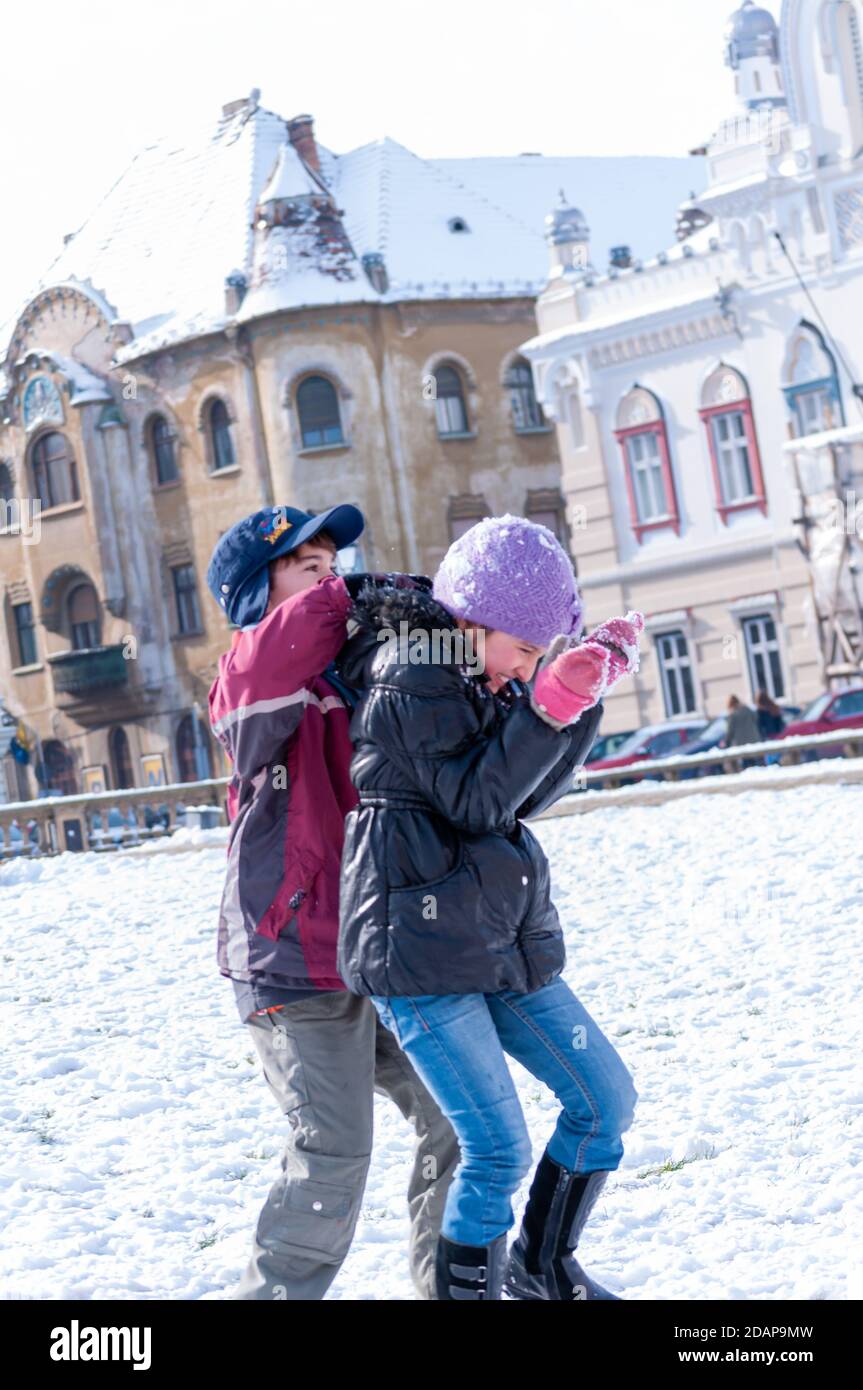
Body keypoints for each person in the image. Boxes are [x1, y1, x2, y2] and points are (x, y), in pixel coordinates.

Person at [336, 514, 642, 1301]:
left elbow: (526, 794)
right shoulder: (413, 670)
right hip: (419, 950)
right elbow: (476, 800)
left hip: (491, 935)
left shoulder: (481, 673)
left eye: (540, 655)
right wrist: (545, 707)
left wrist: (579, 696)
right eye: (526, 651)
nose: (525, 670)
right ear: (473, 619)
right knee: (497, 1148)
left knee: (603, 1100)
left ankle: (544, 1269)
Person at [206, 504, 460, 1301]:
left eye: (330, 556)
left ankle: (452, 1287)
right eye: (301, 560)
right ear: (255, 592)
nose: (324, 567)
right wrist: (343, 596)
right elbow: (259, 677)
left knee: (461, 1124)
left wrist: (443, 613)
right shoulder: (251, 680)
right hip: (291, 959)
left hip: (383, 948)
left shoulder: (356, 666)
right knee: (334, 1147)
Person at [724, 693, 762, 769]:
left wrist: (726, 742)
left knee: (746, 762)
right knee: (755, 761)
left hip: (741, 742)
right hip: (753, 739)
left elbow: (730, 731)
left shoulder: (732, 715)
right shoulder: (747, 709)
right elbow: (756, 719)